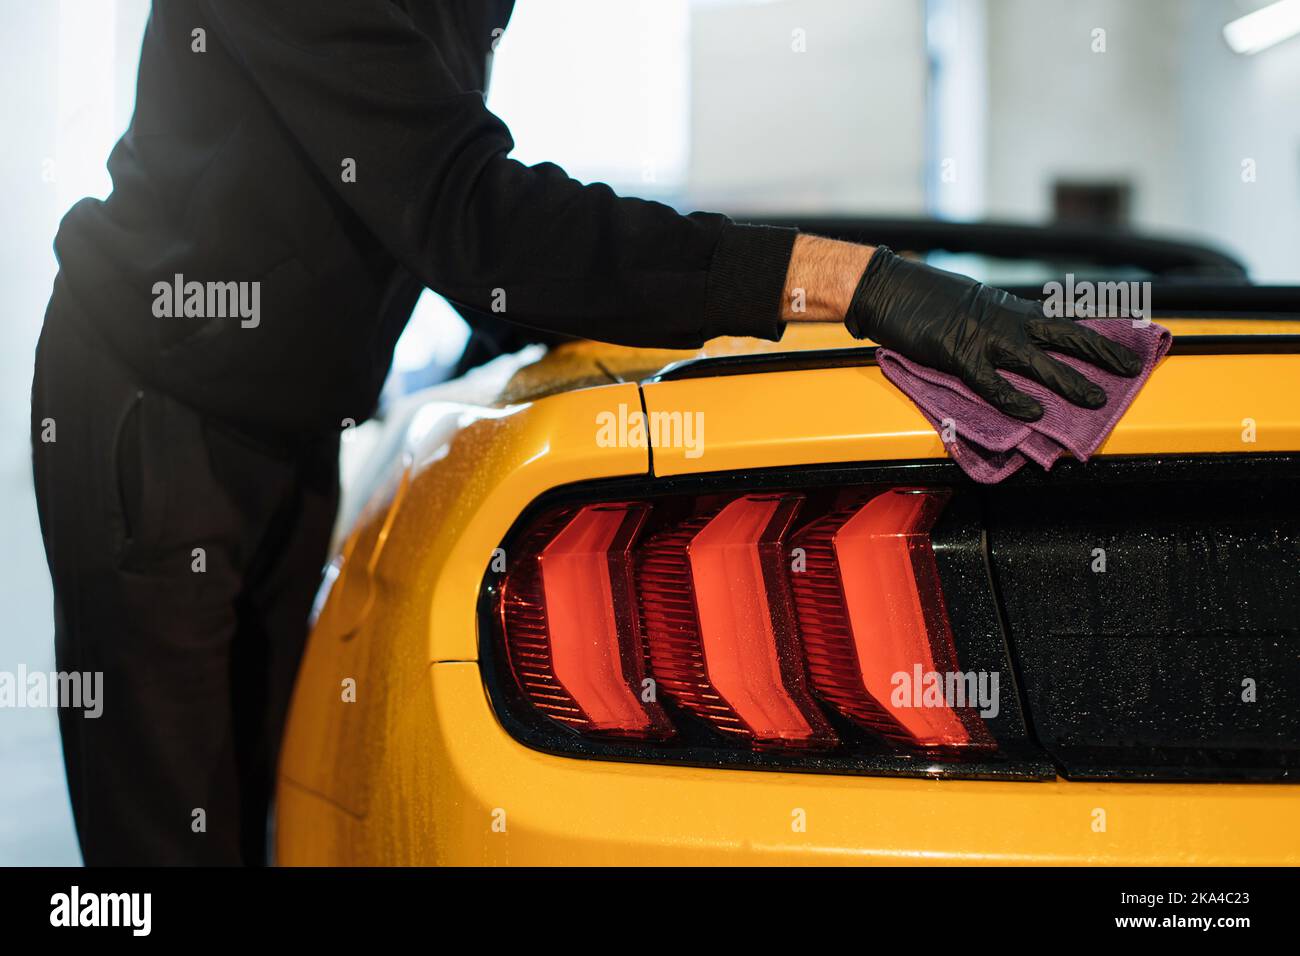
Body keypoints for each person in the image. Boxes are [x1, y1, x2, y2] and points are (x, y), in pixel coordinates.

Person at [31, 0, 1139, 866]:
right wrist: (846, 280)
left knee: (251, 806)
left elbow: (439, 226)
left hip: (288, 412)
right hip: (154, 401)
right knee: (169, 841)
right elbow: (473, 219)